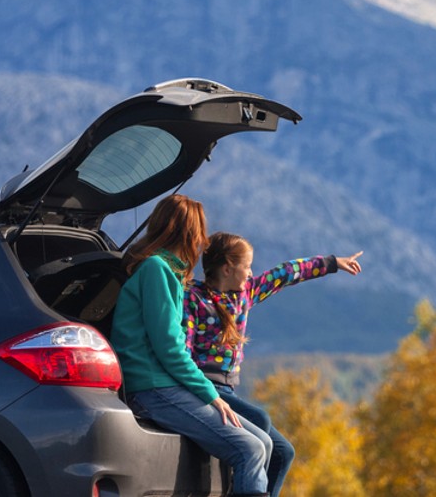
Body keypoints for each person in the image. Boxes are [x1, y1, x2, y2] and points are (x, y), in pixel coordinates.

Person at [111, 195, 273, 497]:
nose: (202, 242)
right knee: (249, 449)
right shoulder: (156, 270)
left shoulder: (168, 273)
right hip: (152, 388)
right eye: (199, 232)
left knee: (264, 442)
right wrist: (212, 395)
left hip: (166, 385)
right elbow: (169, 349)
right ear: (188, 233)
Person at [185, 232, 364, 497]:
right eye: (247, 266)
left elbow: (286, 273)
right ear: (227, 269)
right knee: (261, 419)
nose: (251, 272)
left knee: (283, 453)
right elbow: (184, 350)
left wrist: (332, 263)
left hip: (229, 390)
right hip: (207, 388)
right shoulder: (194, 299)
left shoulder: (245, 294)